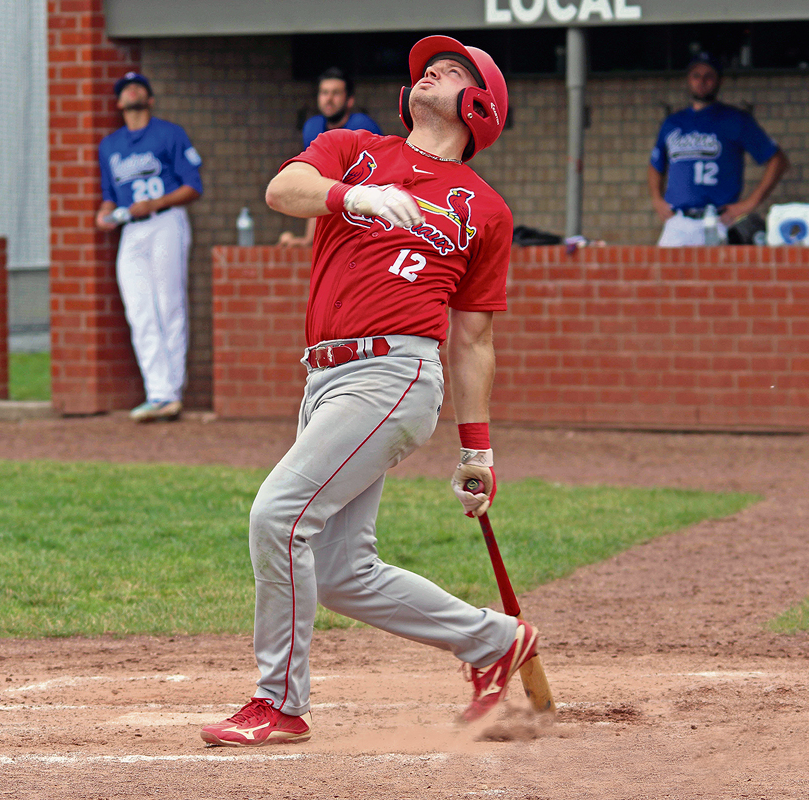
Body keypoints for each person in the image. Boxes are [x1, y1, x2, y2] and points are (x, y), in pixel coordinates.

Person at [199, 35, 538, 748]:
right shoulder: (353, 147)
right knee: (342, 571)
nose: (431, 73)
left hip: (397, 372)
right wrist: (358, 194)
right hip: (325, 376)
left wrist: (478, 451)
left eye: (452, 72)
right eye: (430, 68)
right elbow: (282, 190)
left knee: (279, 516)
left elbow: (473, 339)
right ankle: (493, 643)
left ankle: (279, 705)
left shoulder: (487, 209)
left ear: (480, 106)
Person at [96, 71, 203, 422]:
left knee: (169, 303)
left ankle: (169, 393)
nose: (132, 92)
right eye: (126, 90)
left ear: (150, 98)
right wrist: (105, 214)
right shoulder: (109, 146)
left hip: (165, 221)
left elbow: (193, 187)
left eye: (138, 87)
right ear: (118, 103)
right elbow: (109, 197)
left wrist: (154, 204)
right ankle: (157, 392)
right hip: (131, 229)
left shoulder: (169, 133)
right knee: (139, 309)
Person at [648, 52, 789, 247]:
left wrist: (749, 204)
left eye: (708, 76)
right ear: (688, 80)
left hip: (718, 219)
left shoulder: (735, 119)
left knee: (716, 275)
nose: (702, 82)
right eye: (696, 76)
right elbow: (656, 164)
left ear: (719, 80)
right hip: (678, 220)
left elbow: (777, 160)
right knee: (663, 274)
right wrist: (656, 198)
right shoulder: (673, 123)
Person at [278, 67, 382, 247]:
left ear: (349, 100)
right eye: (324, 92)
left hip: (369, 215)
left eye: (336, 93)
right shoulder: (313, 128)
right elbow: (317, 185)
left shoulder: (362, 127)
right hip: (337, 213)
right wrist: (308, 239)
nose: (329, 99)